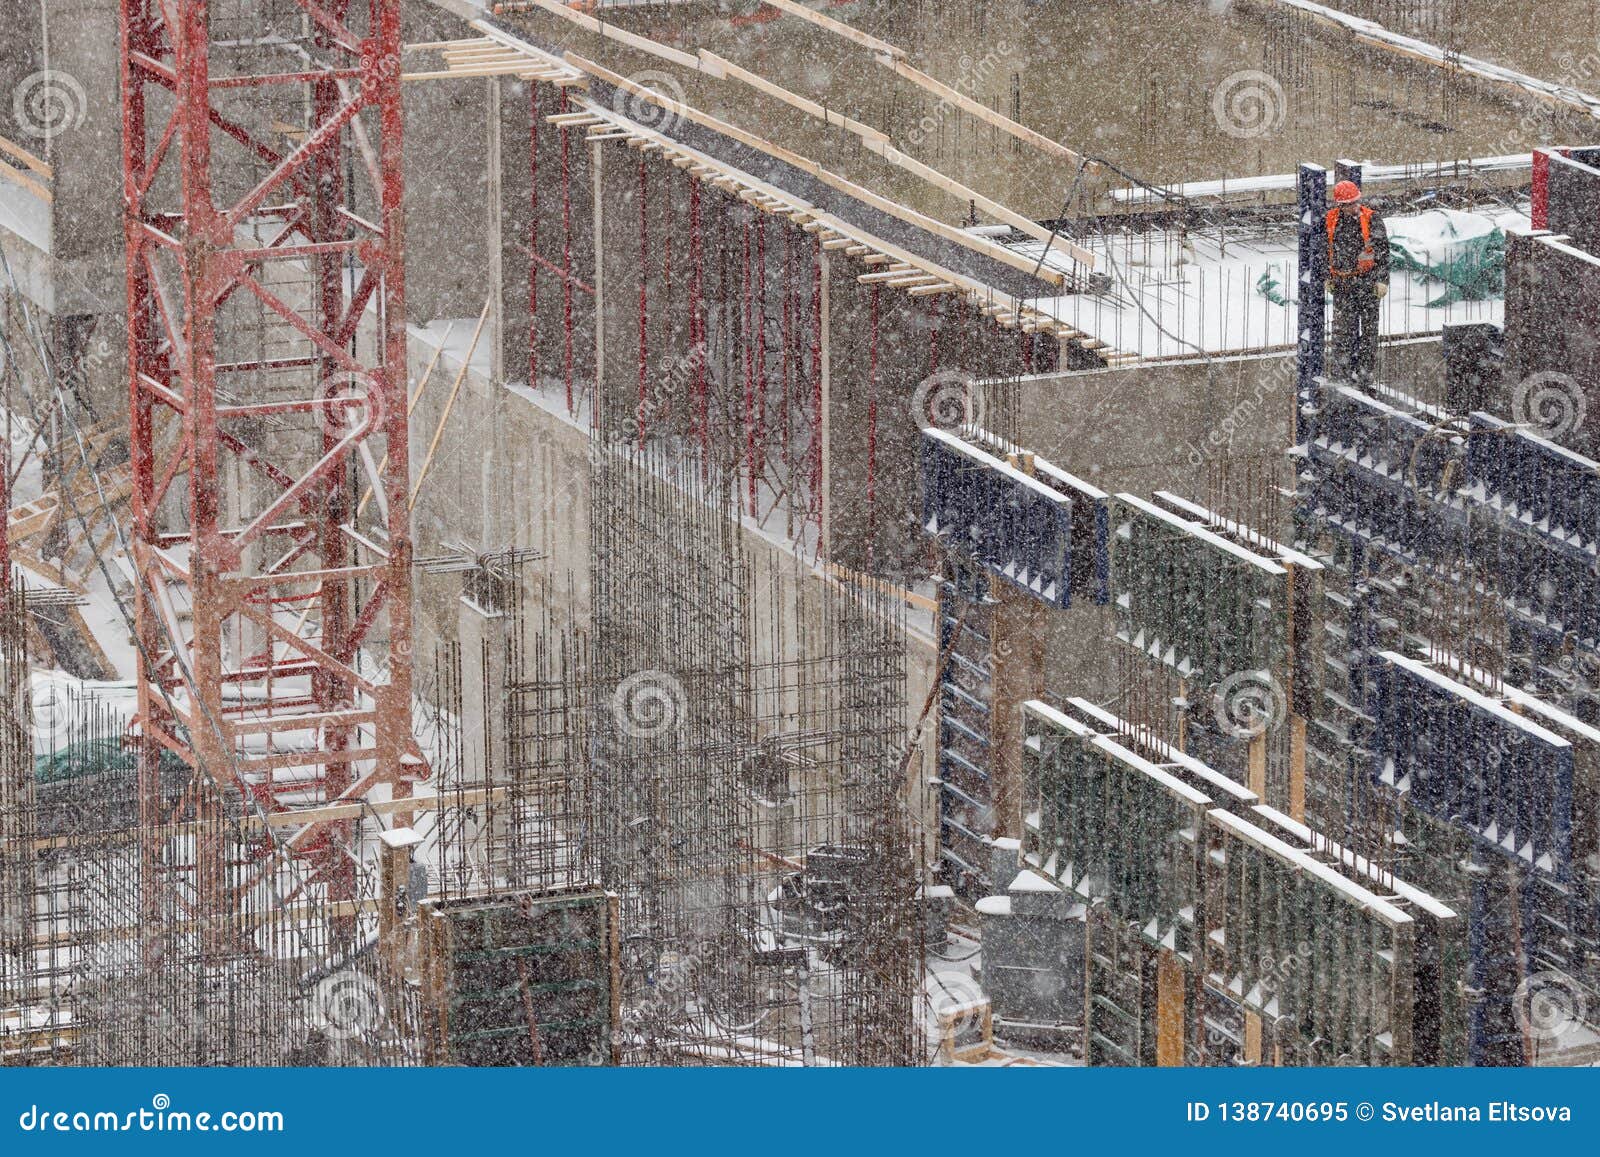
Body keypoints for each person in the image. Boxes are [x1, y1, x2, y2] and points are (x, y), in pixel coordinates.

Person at [1325, 179, 1390, 386]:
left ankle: (1365, 374)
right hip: (1344, 286)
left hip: (1368, 285)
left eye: (1354, 203)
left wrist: (1382, 280)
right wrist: (1328, 277)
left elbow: (1383, 252)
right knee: (1344, 332)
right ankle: (1344, 373)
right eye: (1347, 204)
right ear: (1339, 205)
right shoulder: (1332, 221)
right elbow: (1324, 251)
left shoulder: (1372, 220)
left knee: (1369, 332)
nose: (1351, 207)